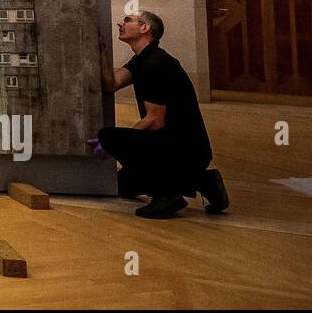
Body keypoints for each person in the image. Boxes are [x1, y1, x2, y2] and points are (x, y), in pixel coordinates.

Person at [96, 11, 229, 219]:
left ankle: (167, 196)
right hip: (178, 148)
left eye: (128, 20)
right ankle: (205, 181)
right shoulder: (143, 59)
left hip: (183, 149)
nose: (120, 23)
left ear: (145, 28)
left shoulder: (155, 65)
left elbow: (154, 121)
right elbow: (111, 83)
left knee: (108, 136)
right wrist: (101, 50)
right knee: (124, 185)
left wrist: (114, 146)